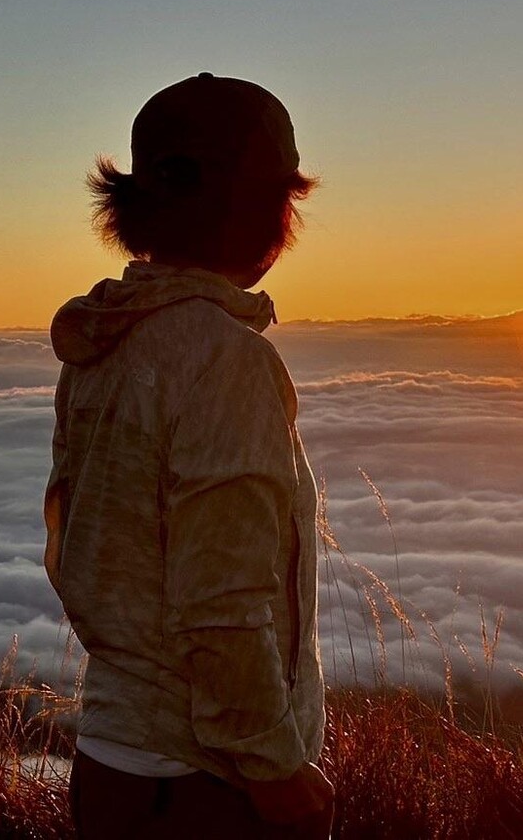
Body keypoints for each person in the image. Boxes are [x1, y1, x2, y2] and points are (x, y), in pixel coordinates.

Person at [43, 73, 333, 838]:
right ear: (266, 211)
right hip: (205, 786)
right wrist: (275, 766)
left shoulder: (102, 342)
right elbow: (222, 600)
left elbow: (75, 543)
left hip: (109, 768)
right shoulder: (226, 360)